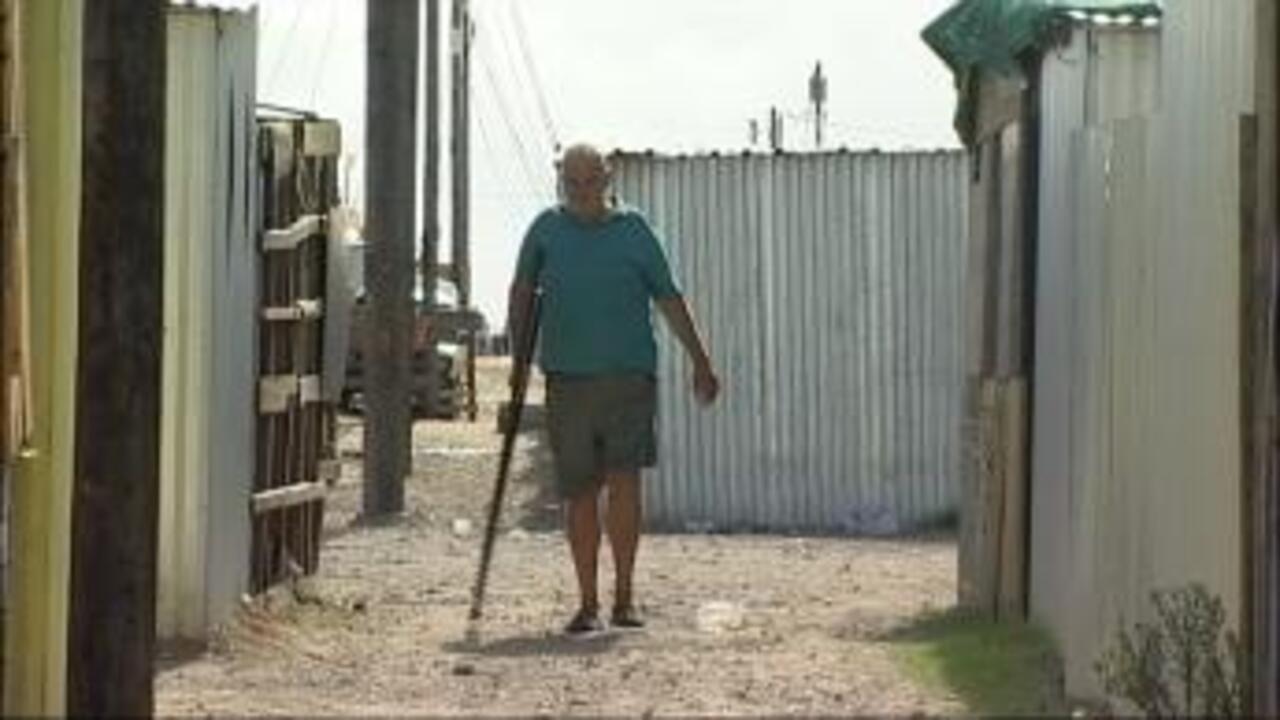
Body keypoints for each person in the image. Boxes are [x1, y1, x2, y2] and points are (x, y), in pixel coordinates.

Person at [507, 143, 720, 636]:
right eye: (572, 183)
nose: (582, 192)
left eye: (590, 182)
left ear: (608, 179)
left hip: (628, 378)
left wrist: (700, 360)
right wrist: (518, 359)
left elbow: (669, 298)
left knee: (624, 482)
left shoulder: (635, 232)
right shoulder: (546, 231)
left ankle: (625, 597)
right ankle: (587, 603)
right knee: (580, 491)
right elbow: (520, 294)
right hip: (568, 378)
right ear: (562, 182)